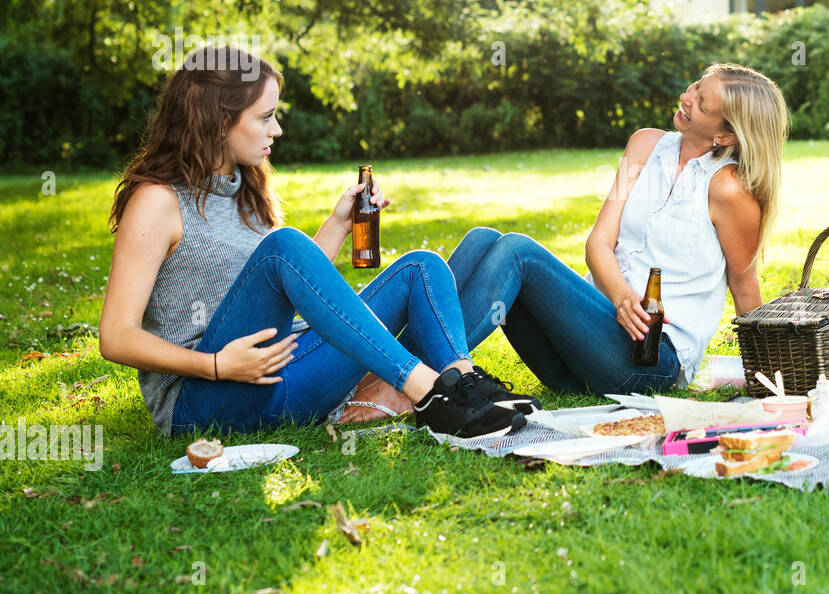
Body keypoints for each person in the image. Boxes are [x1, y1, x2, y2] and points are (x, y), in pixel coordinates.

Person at [98, 45, 534, 441]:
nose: (278, 130)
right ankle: (428, 393)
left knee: (421, 267)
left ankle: (461, 386)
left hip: (287, 372)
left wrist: (339, 224)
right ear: (218, 117)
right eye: (265, 117)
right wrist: (215, 366)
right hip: (207, 398)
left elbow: (292, 288)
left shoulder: (243, 189)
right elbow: (116, 337)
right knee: (285, 245)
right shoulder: (157, 202)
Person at [444, 64, 788, 396]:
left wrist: (770, 379)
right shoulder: (645, 145)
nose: (687, 96)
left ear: (724, 134)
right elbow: (599, 242)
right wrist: (622, 297)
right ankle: (406, 372)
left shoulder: (729, 189)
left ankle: (418, 377)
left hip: (648, 358)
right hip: (579, 352)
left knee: (518, 252)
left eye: (701, 103)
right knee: (482, 240)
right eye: (697, 86)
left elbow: (744, 287)